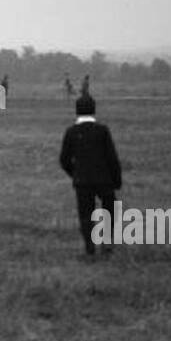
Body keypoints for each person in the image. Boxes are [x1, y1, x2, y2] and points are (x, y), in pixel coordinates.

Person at [58, 94, 122, 256]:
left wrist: (75, 173)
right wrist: (116, 179)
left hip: (82, 180)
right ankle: (106, 240)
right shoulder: (102, 131)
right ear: (94, 110)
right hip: (104, 179)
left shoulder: (71, 132)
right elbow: (112, 157)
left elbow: (64, 159)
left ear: (76, 111)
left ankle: (89, 245)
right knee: (110, 208)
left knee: (85, 213)